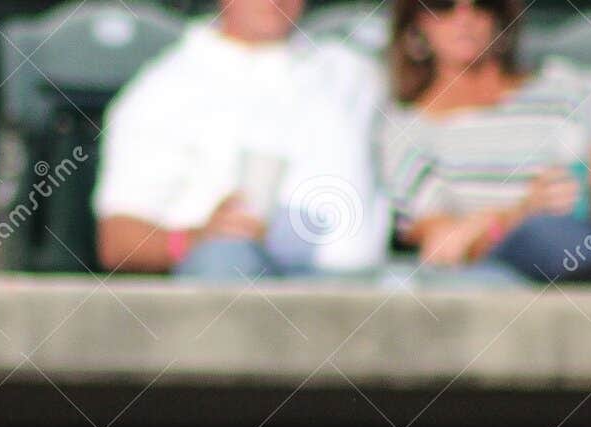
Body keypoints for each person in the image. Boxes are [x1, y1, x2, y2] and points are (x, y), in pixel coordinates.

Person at [92, 0, 388, 279]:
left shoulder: (354, 72)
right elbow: (118, 240)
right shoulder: (162, 90)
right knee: (225, 258)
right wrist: (197, 239)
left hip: (360, 294)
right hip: (233, 295)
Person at [378, 0, 591, 282]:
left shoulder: (564, 89)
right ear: (416, 22)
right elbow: (445, 246)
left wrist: (584, 198)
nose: (465, 18)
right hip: (490, 270)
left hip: (587, 243)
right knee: (528, 244)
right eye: (443, 5)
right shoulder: (406, 128)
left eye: (482, 4)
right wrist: (523, 213)